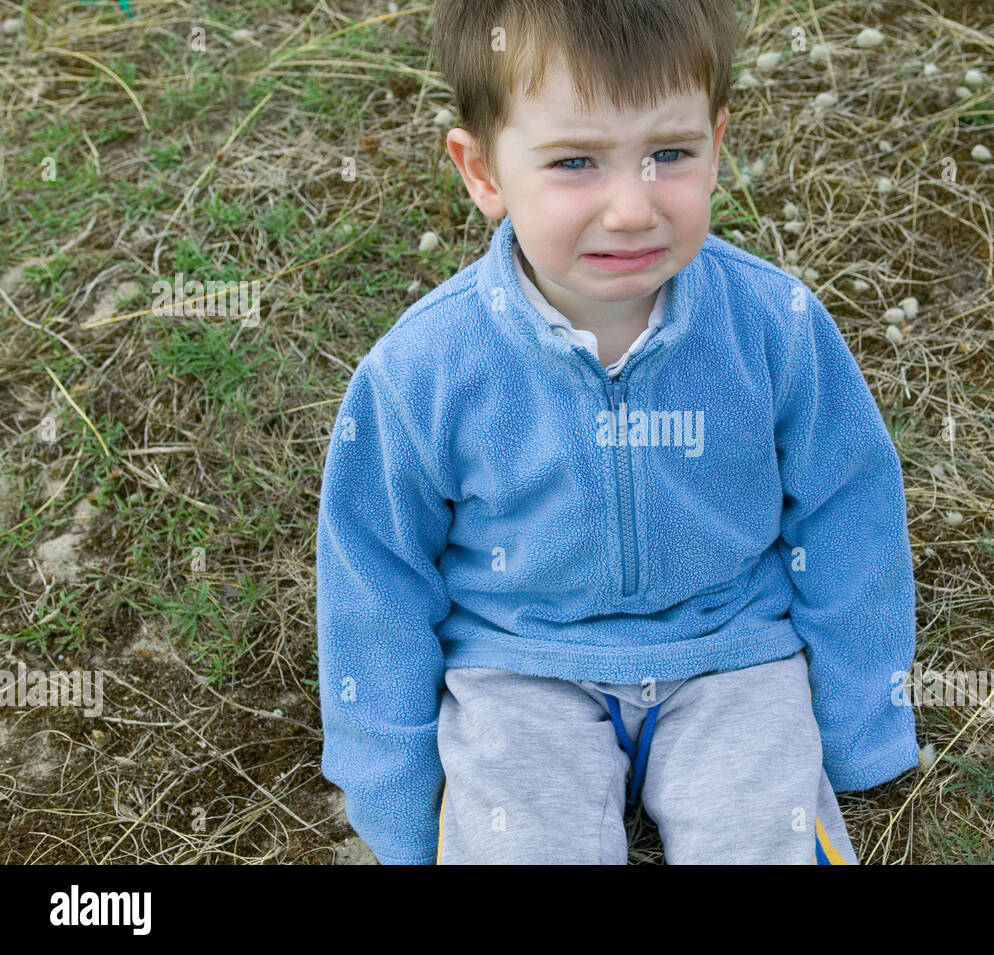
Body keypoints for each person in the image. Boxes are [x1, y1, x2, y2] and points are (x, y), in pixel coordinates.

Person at [315, 0, 919, 864]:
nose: (632, 208)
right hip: (518, 667)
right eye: (575, 162)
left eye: (669, 154)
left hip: (735, 656)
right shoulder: (424, 365)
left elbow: (846, 501)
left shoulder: (774, 326)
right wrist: (396, 790)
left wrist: (862, 720)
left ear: (718, 142)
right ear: (482, 170)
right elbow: (374, 574)